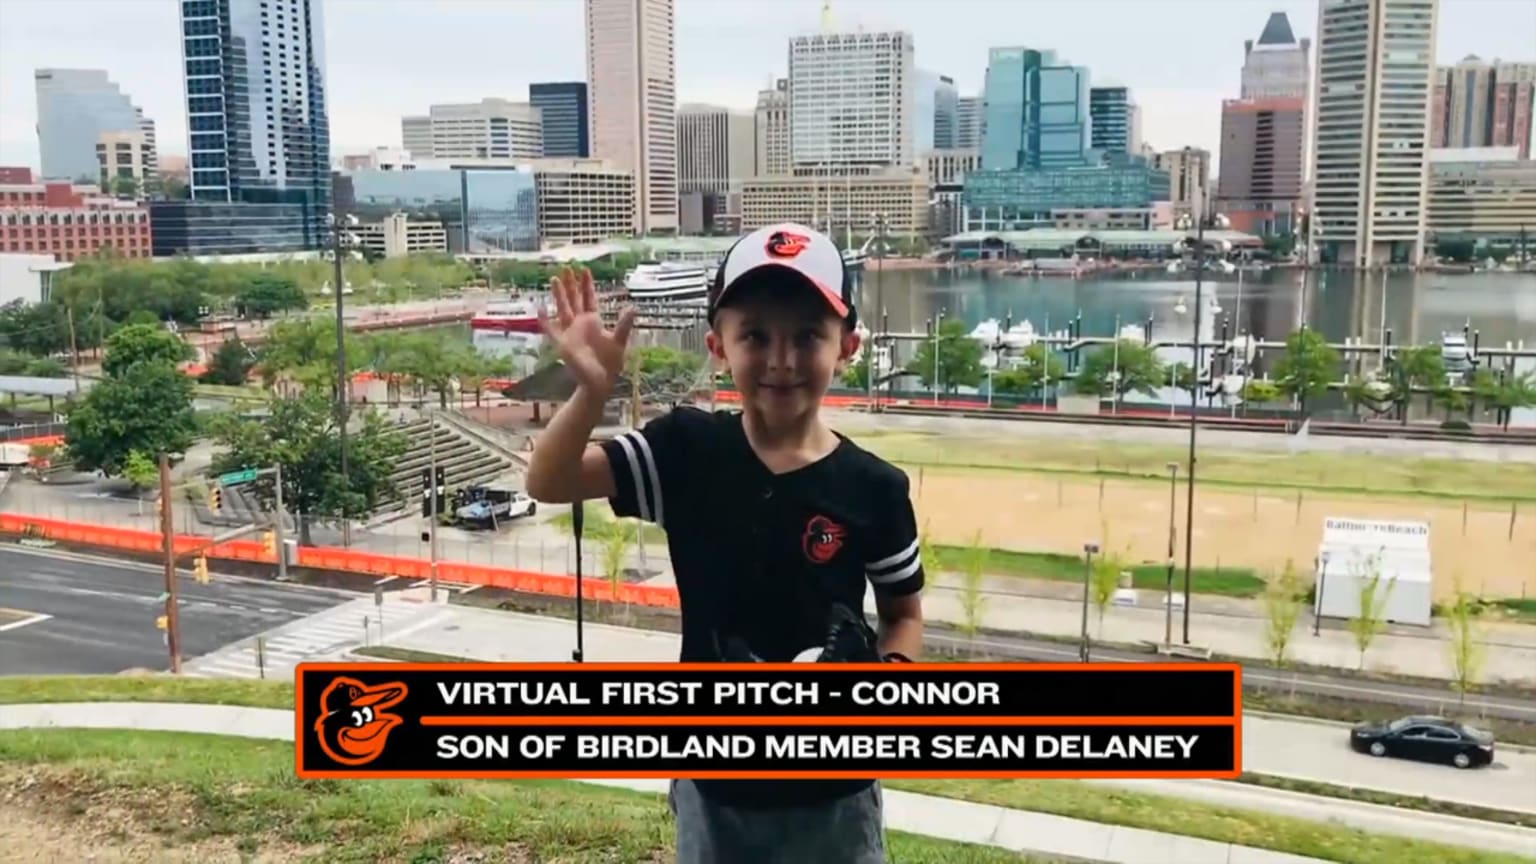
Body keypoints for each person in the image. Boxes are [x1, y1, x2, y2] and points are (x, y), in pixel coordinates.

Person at [524, 222, 926, 864]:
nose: (782, 359)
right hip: (715, 782)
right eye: (755, 335)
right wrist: (591, 391)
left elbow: (903, 613)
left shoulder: (875, 488)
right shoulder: (685, 450)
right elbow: (549, 480)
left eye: (808, 336)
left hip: (837, 789)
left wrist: (887, 683)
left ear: (847, 346)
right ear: (718, 344)